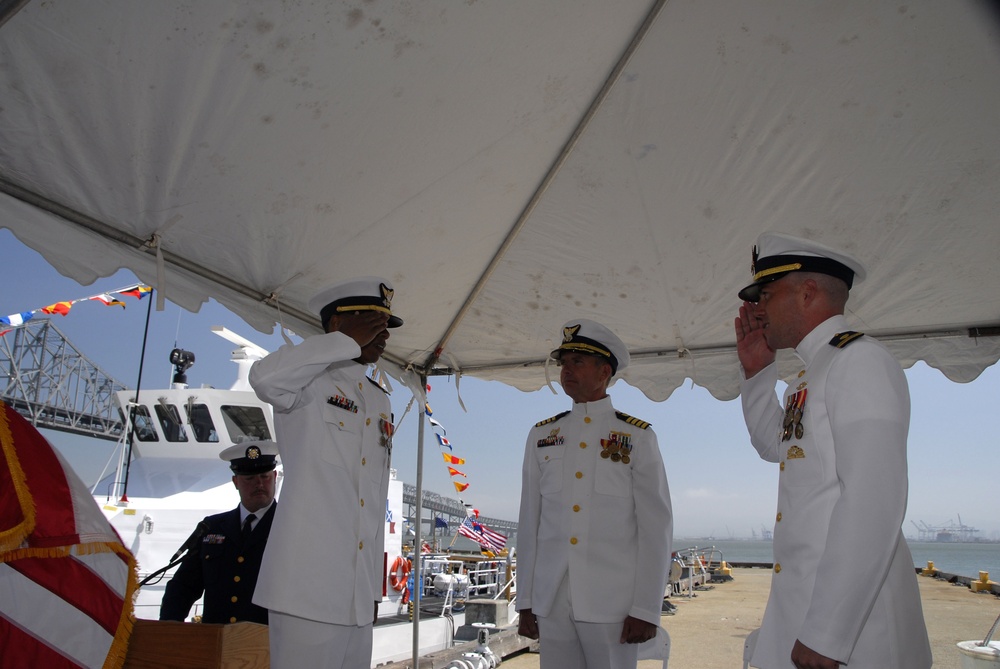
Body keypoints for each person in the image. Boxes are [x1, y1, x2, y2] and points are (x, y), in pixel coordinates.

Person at [733, 232, 932, 669]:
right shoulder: (811, 375)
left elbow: (873, 501)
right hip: (807, 612)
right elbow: (775, 446)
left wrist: (828, 633)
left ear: (807, 293)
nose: (758, 309)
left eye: (766, 294)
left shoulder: (858, 361)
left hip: (857, 636)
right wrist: (757, 374)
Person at [249, 276, 401, 669]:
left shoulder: (378, 399)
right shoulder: (308, 383)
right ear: (338, 324)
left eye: (386, 326)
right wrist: (343, 343)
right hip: (305, 588)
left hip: (356, 594)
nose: (383, 335)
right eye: (373, 323)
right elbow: (263, 379)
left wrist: (369, 584)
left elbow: (371, 500)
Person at [516, 319, 673, 669]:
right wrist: (525, 600)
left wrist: (647, 607)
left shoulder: (637, 437)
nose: (566, 370)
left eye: (577, 362)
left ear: (604, 371)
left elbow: (656, 528)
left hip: (612, 602)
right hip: (552, 598)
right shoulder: (542, 435)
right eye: (563, 363)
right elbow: (530, 522)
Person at [159, 439, 279, 625]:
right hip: (217, 641)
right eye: (249, 479)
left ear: (275, 476)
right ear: (235, 482)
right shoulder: (212, 527)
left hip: (268, 644)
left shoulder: (288, 526)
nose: (259, 484)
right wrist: (168, 625)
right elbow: (184, 586)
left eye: (265, 477)